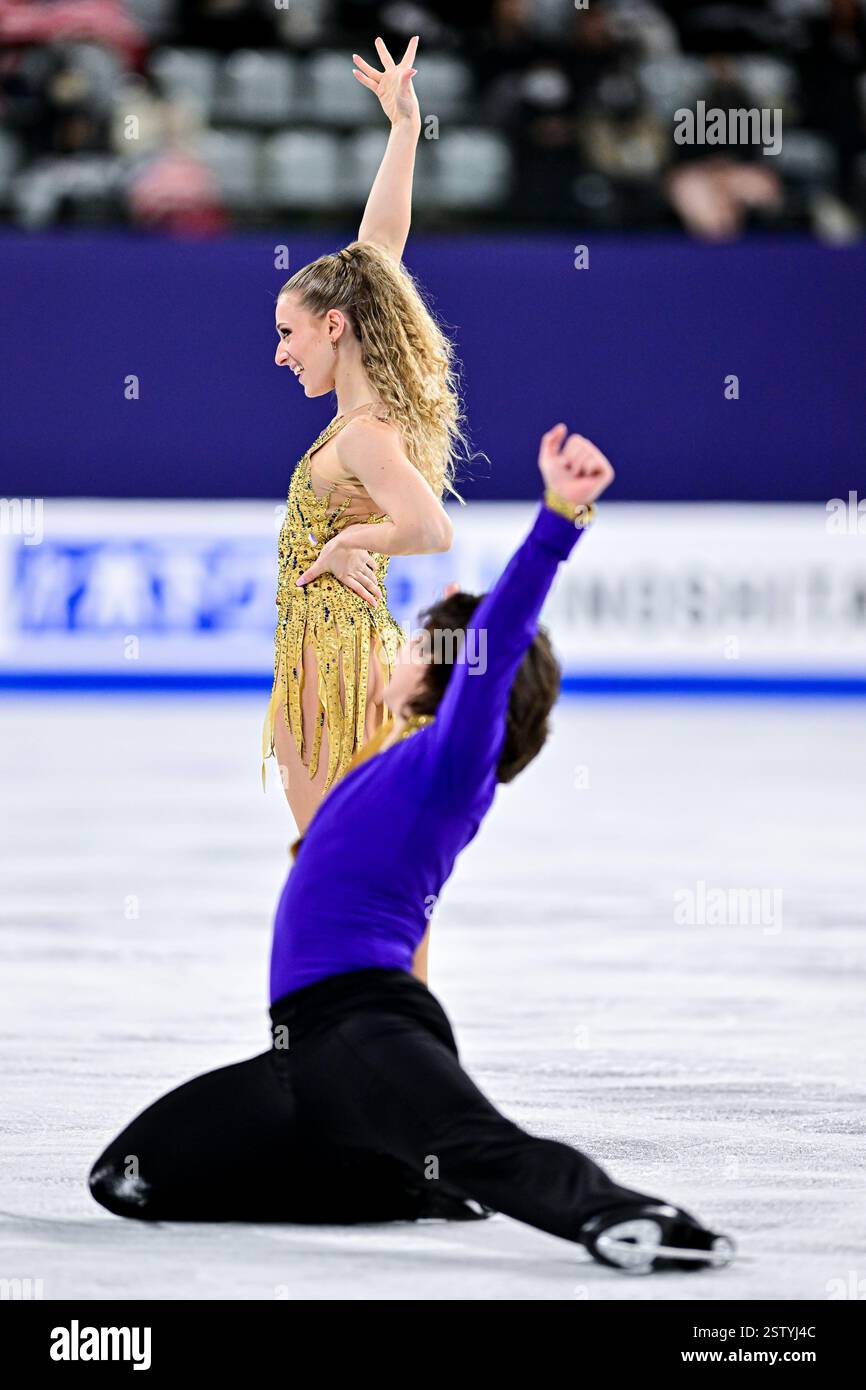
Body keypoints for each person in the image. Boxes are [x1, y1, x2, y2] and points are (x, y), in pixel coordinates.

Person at [89, 424, 735, 1274]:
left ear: (444, 668)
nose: (401, 642)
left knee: (482, 1146)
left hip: (367, 1028)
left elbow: (496, 644)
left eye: (420, 639)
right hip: (300, 1055)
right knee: (129, 1177)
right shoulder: (389, 758)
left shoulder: (447, 765)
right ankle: (398, 1180)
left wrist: (557, 521)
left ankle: (634, 1218)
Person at [263, 35, 471, 836]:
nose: (280, 352)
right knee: (352, 853)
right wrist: (403, 130)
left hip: (336, 661)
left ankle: (354, 966)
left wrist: (356, 544)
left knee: (328, 856)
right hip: (336, 650)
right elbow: (378, 252)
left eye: (289, 333)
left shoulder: (364, 433)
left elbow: (430, 527)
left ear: (334, 326)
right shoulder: (362, 412)